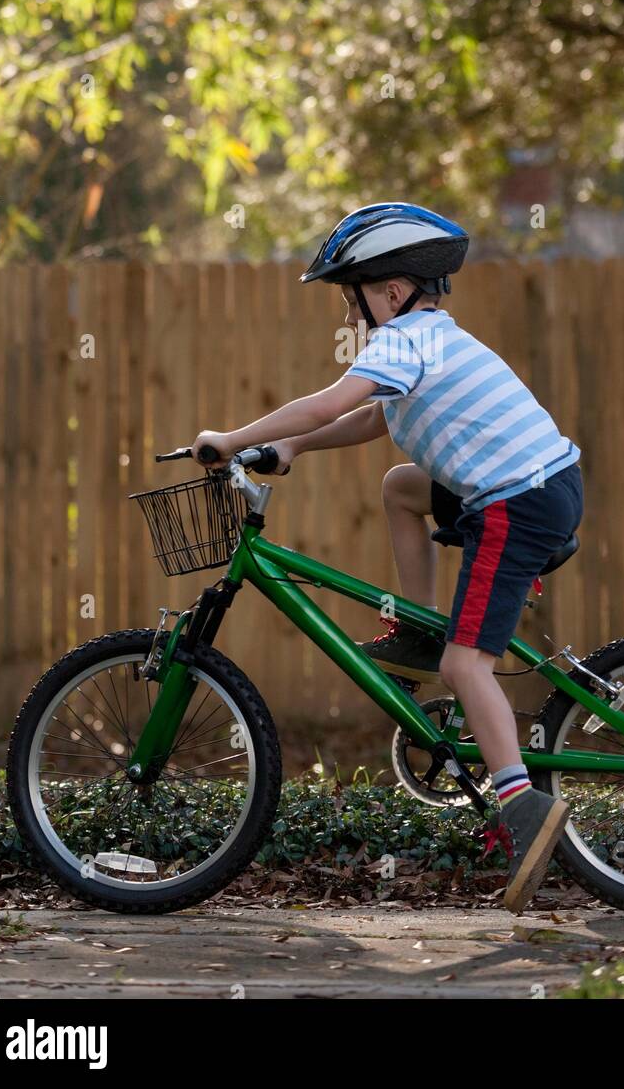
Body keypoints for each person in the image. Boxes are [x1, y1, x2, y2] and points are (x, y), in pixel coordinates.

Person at [191, 202, 583, 912]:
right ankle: (420, 626)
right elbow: (374, 417)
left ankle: (524, 813)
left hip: (516, 500)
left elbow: (328, 402)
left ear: (391, 292)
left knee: (467, 667)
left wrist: (233, 434)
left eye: (352, 297)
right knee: (402, 486)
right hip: (536, 487)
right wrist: (294, 449)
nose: (348, 315)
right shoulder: (431, 338)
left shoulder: (403, 338)